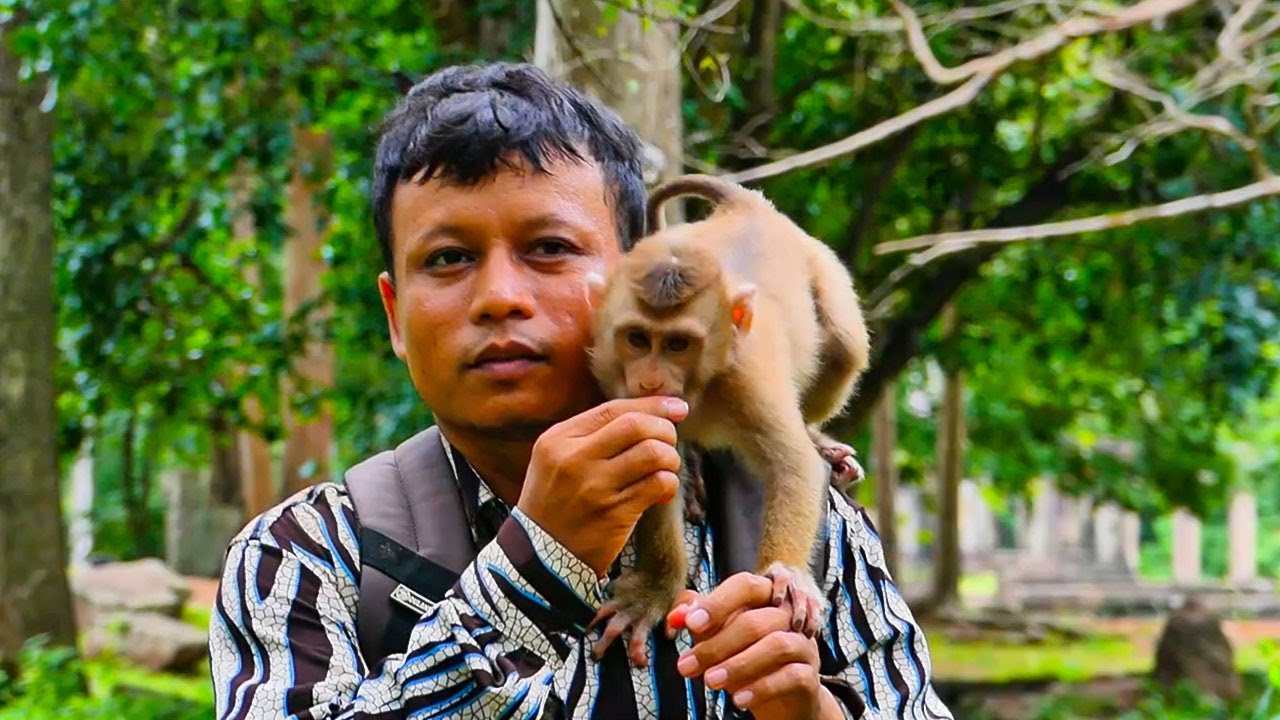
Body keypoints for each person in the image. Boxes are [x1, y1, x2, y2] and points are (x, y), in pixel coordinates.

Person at [209, 61, 953, 720]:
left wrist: (810, 712)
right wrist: (535, 565)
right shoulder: (309, 558)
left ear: (636, 284)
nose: (500, 296)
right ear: (396, 316)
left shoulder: (790, 523)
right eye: (448, 258)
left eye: (549, 249)